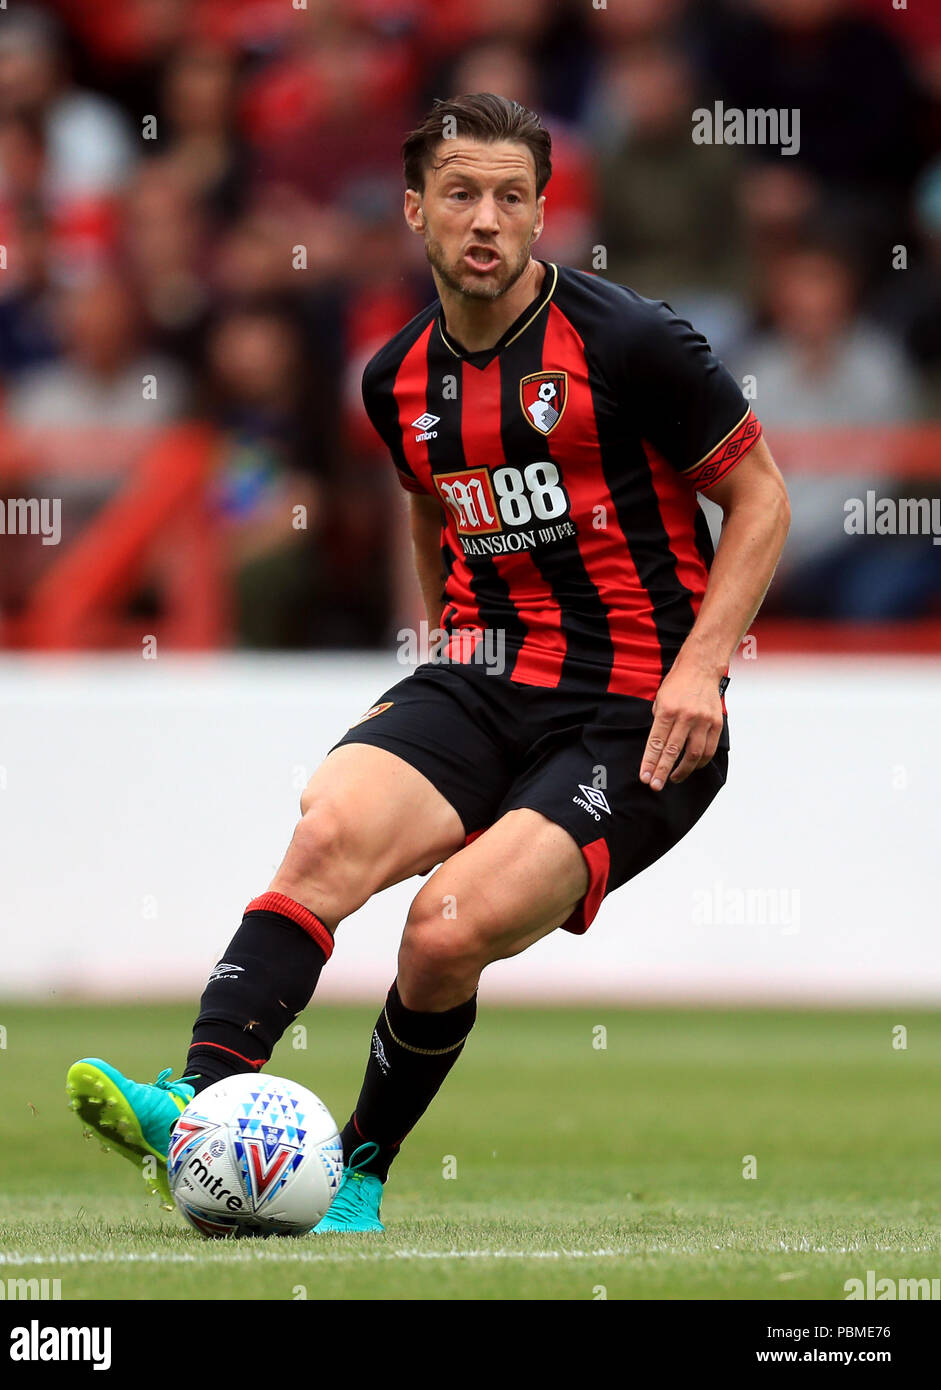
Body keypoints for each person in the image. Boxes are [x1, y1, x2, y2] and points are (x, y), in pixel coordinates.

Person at [66, 93, 790, 1233]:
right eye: (461, 194)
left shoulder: (632, 344)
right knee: (324, 834)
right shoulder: (392, 377)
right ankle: (194, 1103)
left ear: (545, 210)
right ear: (416, 211)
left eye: (512, 196)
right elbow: (432, 510)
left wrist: (704, 667)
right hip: (485, 672)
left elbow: (761, 498)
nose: (487, 218)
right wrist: (443, 643)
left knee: (444, 930)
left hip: (636, 711)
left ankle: (358, 1165)